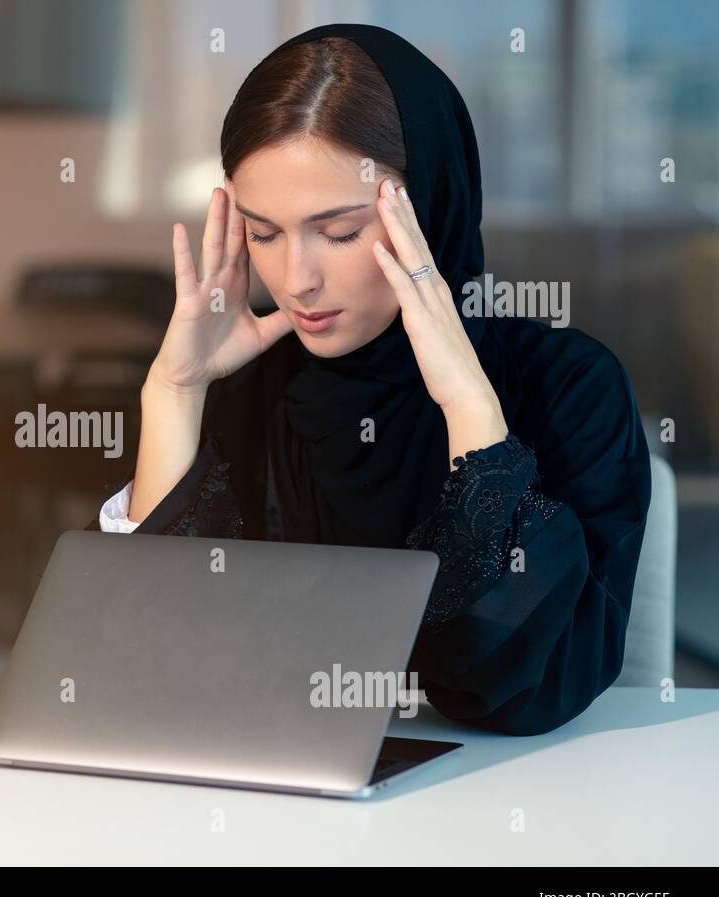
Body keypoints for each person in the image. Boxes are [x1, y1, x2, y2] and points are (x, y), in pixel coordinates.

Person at [88, 23, 652, 737]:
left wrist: (470, 411)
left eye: (342, 231)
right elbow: (133, 669)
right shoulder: (243, 387)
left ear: (433, 206)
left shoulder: (573, 391)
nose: (297, 280)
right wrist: (172, 396)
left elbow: (530, 693)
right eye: (263, 234)